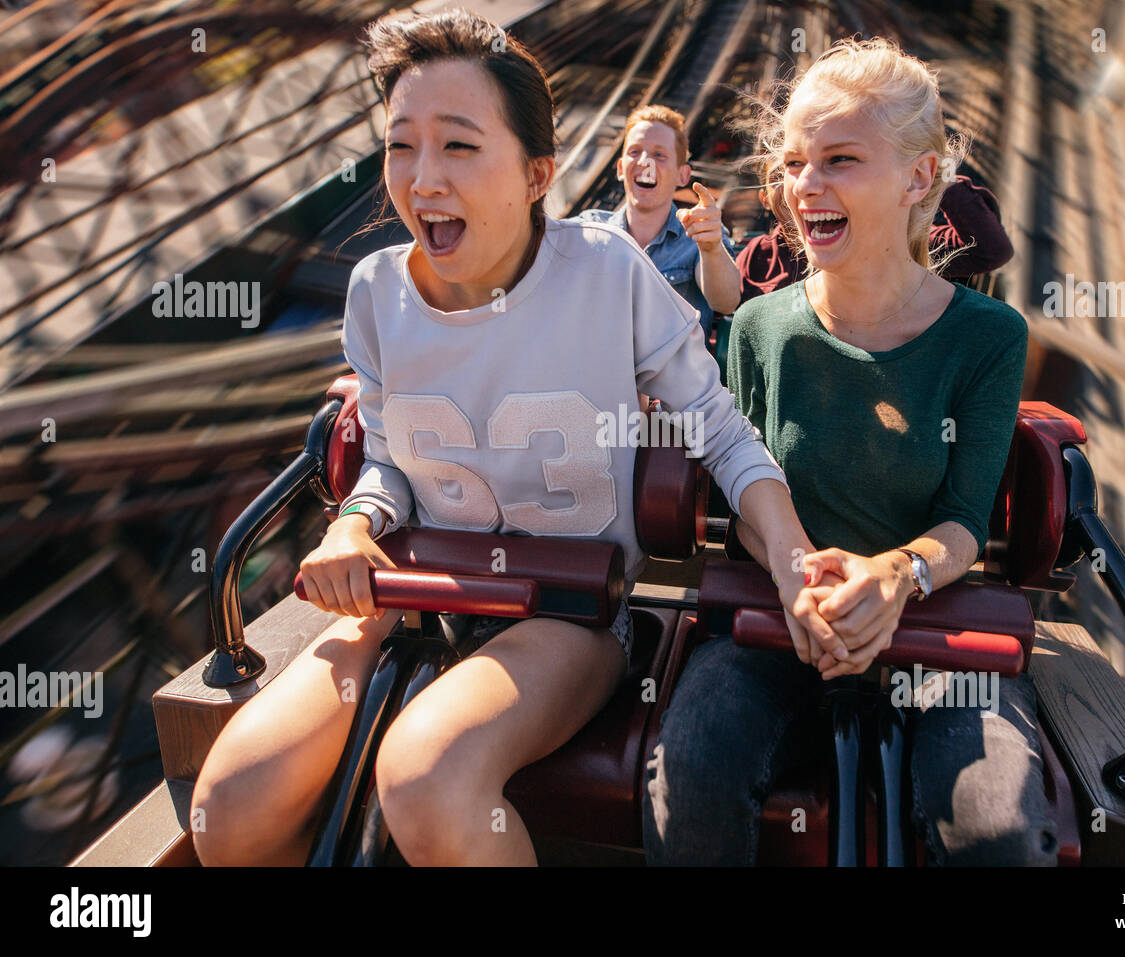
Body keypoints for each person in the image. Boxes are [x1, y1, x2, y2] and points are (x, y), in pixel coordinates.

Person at [191, 8, 841, 867]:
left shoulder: (609, 275)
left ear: (537, 174)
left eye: (459, 146)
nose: (423, 180)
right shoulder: (374, 292)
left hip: (568, 610)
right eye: (401, 145)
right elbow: (387, 457)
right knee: (228, 805)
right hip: (416, 589)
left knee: (425, 776)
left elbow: (721, 435)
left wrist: (794, 559)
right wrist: (354, 524)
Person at [644, 36, 1058, 866]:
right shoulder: (761, 327)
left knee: (996, 827)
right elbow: (745, 496)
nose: (804, 188)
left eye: (839, 160)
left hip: (933, 622)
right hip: (781, 616)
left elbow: (965, 521)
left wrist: (894, 576)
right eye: (795, 163)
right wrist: (806, 585)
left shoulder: (988, 337)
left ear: (917, 178)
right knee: (688, 777)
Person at [735, 156, 1012, 304]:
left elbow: (988, 250)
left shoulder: (891, 243)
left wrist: (936, 176)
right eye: (782, 173)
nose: (798, 184)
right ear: (764, 198)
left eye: (832, 165)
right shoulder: (757, 255)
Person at [574, 105, 742, 339]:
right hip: (602, 368)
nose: (645, 161)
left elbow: (726, 302)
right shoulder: (591, 227)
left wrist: (711, 249)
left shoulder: (697, 233)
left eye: (659, 155)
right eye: (635, 152)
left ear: (682, 175)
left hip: (671, 373)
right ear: (621, 168)